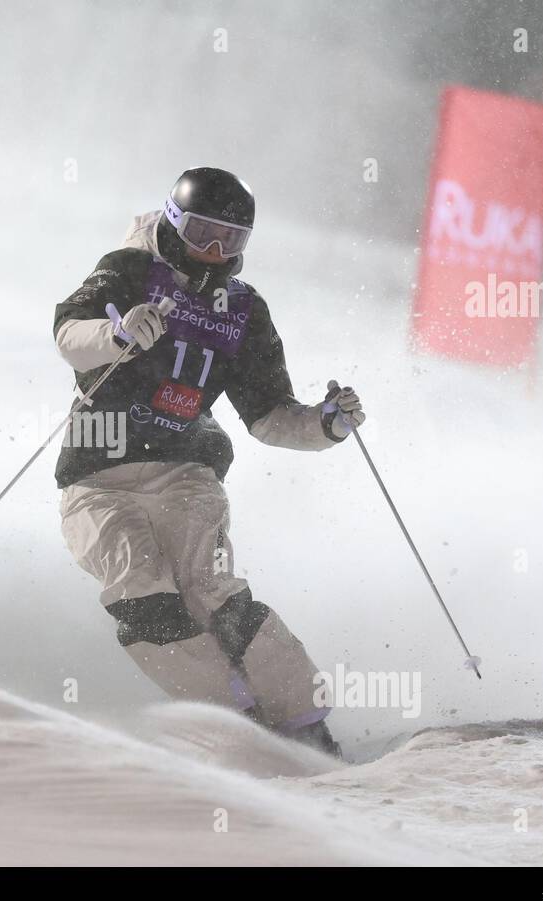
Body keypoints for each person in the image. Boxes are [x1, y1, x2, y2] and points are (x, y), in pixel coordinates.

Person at [52, 167, 364, 757]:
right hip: (98, 477)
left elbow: (269, 415)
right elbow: (69, 333)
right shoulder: (128, 270)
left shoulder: (242, 309)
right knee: (140, 589)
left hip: (184, 471)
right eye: (202, 234)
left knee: (210, 589)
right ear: (174, 223)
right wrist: (116, 333)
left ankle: (304, 723)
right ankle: (234, 721)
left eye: (231, 240)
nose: (215, 252)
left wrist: (325, 425)